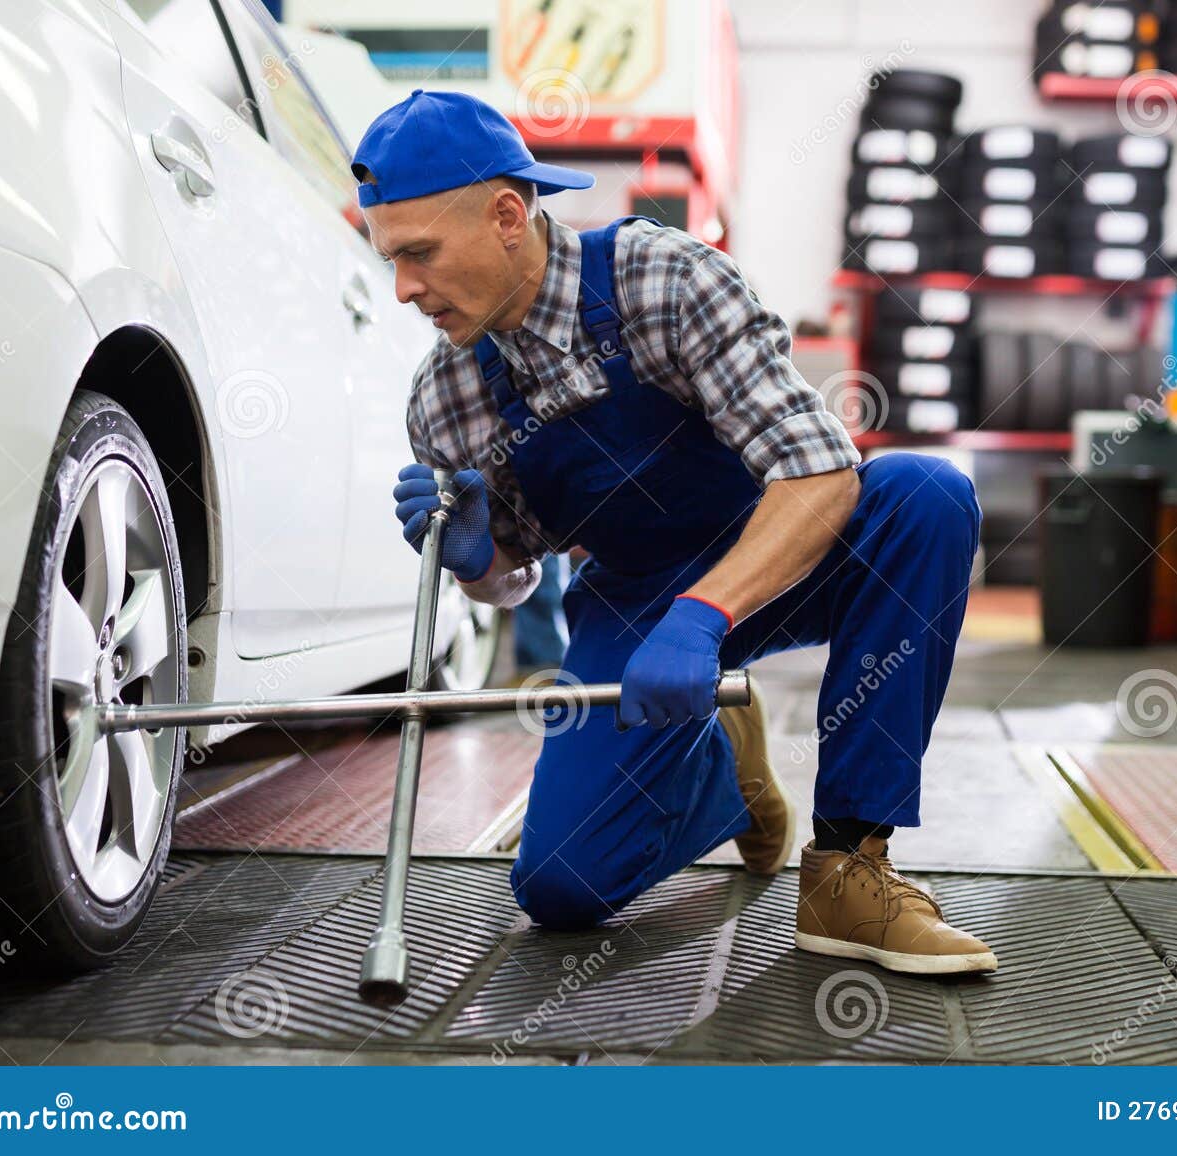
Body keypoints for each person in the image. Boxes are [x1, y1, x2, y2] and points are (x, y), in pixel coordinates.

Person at [359, 90, 994, 974]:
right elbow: (514, 581)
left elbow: (819, 470)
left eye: (419, 254)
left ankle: (850, 868)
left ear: (508, 214)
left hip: (783, 552)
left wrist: (705, 617)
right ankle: (720, 762)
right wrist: (477, 557)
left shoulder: (663, 279)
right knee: (562, 892)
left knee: (924, 493)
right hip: (636, 605)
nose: (402, 290)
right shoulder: (447, 396)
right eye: (388, 257)